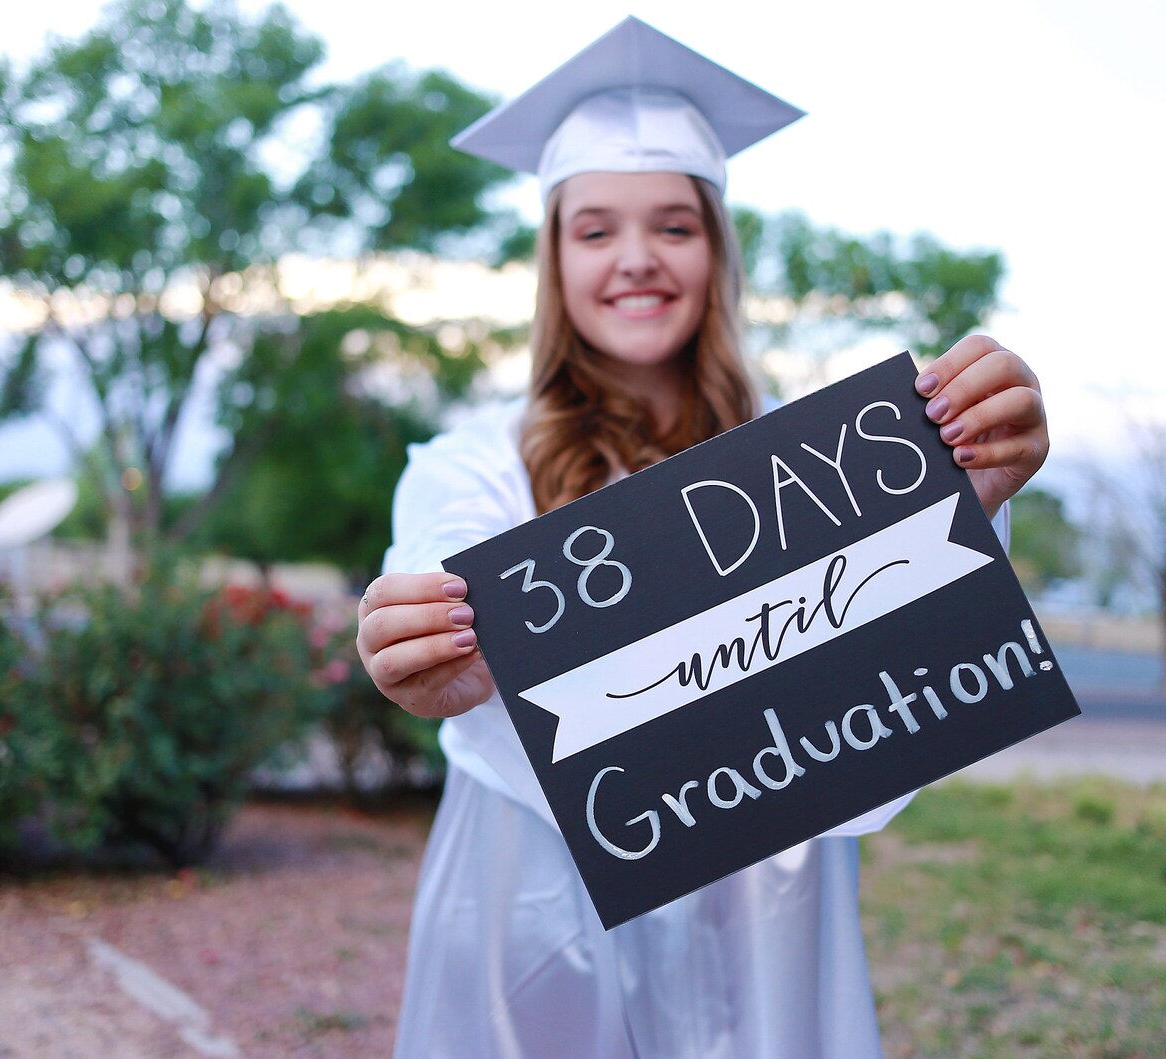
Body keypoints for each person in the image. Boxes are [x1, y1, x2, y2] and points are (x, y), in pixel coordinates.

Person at [355, 18, 1047, 1058]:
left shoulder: (823, 459)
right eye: (594, 230)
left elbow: (890, 682)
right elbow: (440, 555)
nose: (636, 258)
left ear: (717, 249)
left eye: (674, 225)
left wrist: (966, 500)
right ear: (552, 259)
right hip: (538, 903)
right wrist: (430, 638)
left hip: (768, 902)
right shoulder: (476, 465)